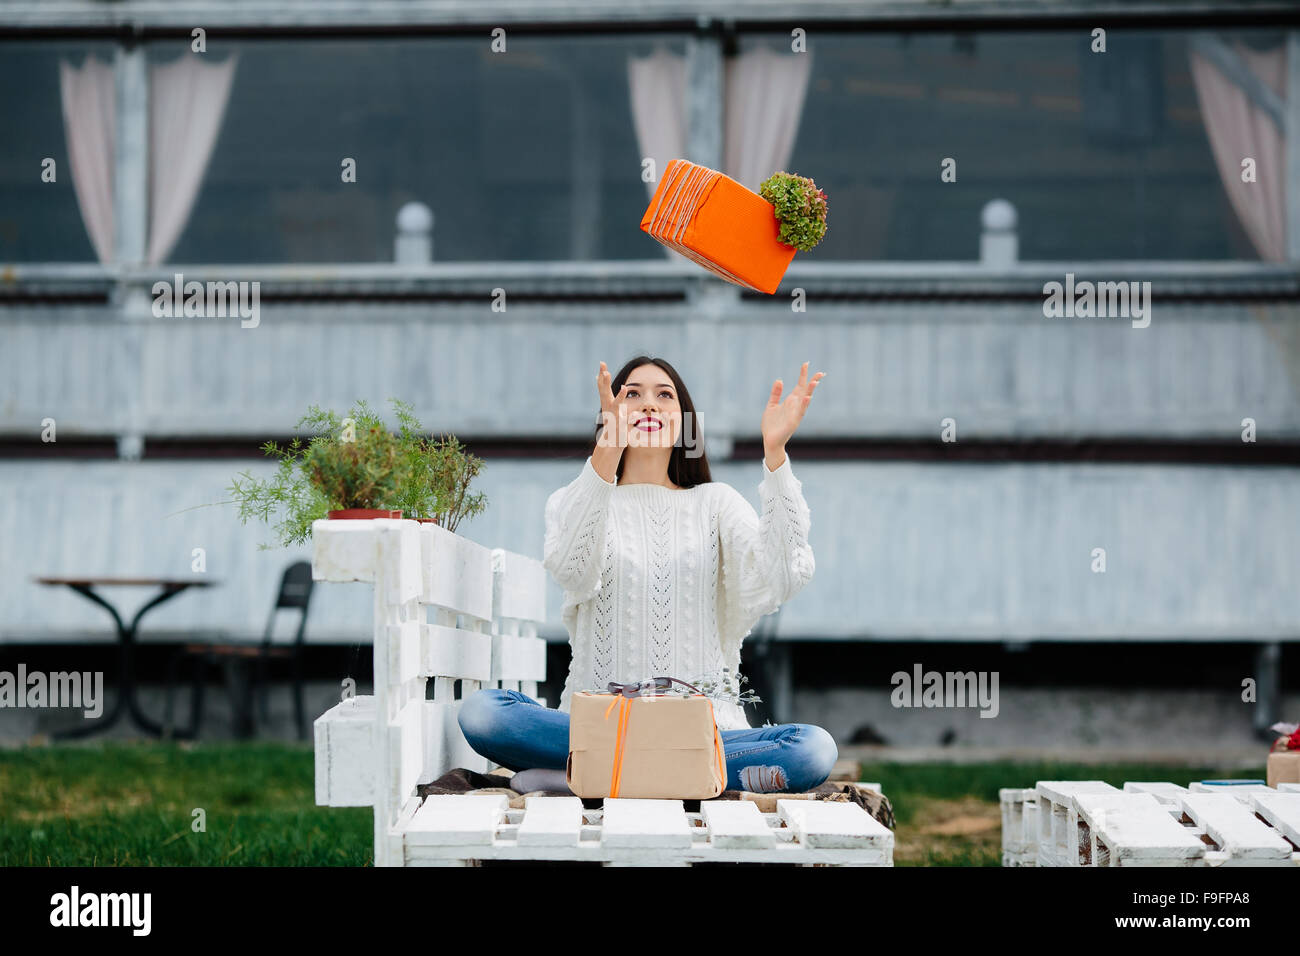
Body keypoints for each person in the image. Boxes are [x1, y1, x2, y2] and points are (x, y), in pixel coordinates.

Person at [459, 355, 835, 795]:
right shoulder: (574, 500)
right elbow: (573, 572)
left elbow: (783, 574)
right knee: (483, 713)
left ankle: (588, 776)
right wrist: (607, 455)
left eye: (664, 395)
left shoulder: (716, 503)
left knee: (813, 748)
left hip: (703, 735)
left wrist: (775, 455)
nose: (649, 406)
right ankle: (659, 776)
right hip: (596, 729)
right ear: (609, 415)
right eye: (632, 395)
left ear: (683, 421)